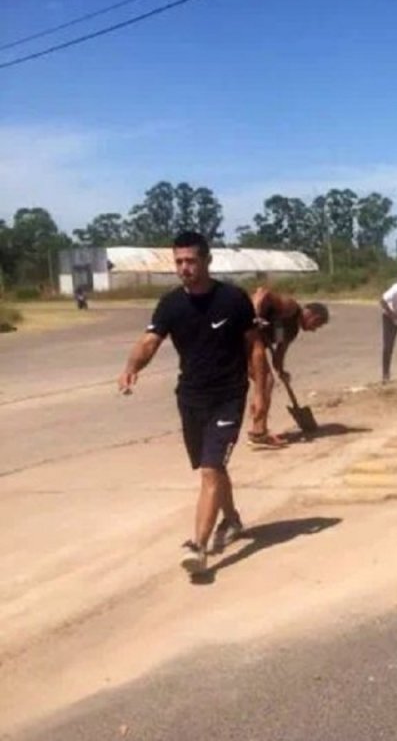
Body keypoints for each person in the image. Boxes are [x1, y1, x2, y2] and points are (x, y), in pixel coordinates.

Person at [117, 231, 257, 576]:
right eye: (179, 261)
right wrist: (132, 367)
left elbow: (255, 347)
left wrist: (262, 397)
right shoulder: (170, 304)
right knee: (211, 467)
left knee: (210, 469)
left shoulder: (233, 299)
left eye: (191, 261)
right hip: (190, 398)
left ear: (207, 260)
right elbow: (151, 341)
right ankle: (233, 519)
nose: (184, 267)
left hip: (228, 396)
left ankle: (198, 546)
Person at [247, 288, 329, 447]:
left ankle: (258, 429)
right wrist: (256, 314)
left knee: (265, 381)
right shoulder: (291, 307)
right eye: (316, 325)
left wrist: (282, 371)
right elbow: (263, 293)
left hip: (250, 344)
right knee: (265, 381)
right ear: (314, 316)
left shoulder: (291, 331)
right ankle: (259, 432)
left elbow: (278, 355)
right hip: (244, 336)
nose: (313, 330)